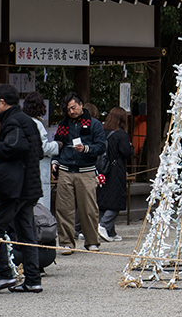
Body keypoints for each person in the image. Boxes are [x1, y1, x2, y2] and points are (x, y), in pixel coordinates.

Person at [0, 83, 44, 292]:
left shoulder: (13, 121)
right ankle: (33, 280)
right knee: (27, 234)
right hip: (29, 185)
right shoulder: (28, 121)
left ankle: (5, 273)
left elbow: (17, 146)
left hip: (14, 189)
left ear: (2, 102)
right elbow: (38, 151)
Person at [53, 92, 105, 252]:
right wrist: (55, 161)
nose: (71, 112)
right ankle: (66, 243)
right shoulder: (63, 124)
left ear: (81, 104)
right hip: (65, 169)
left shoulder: (94, 124)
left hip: (87, 171)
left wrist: (86, 148)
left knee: (89, 209)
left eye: (73, 108)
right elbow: (58, 144)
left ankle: (92, 242)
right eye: (68, 109)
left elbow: (102, 146)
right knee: (64, 209)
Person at [97, 106, 134, 240]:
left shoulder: (102, 131)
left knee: (104, 200)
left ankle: (110, 232)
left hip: (102, 169)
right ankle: (103, 225)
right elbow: (126, 152)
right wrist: (131, 147)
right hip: (115, 170)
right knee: (116, 200)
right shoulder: (120, 134)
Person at [21, 92, 57, 213]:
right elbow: (43, 147)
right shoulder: (37, 124)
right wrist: (57, 145)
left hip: (26, 170)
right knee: (41, 210)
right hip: (39, 169)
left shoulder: (22, 122)